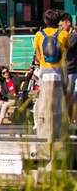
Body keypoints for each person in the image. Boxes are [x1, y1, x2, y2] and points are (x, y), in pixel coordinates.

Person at [33, 9, 69, 137]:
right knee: (60, 100)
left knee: (43, 100)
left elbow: (38, 56)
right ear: (57, 21)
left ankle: (43, 129)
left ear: (45, 21)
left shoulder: (39, 35)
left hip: (45, 71)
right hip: (59, 71)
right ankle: (60, 131)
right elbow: (65, 52)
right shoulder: (63, 34)